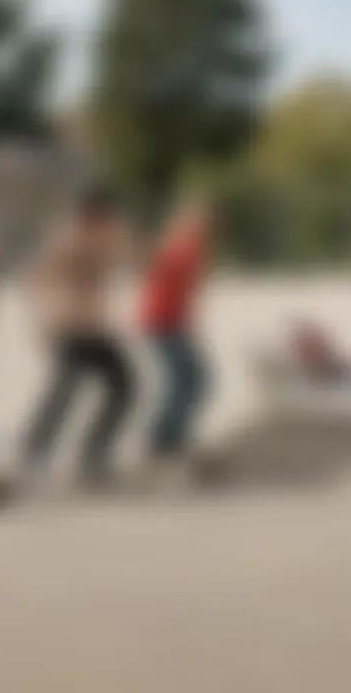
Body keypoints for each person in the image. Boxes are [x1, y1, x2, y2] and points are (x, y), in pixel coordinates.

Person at [22, 185, 134, 490]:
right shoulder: (67, 240)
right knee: (65, 389)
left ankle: (92, 454)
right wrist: (41, 320)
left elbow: (126, 257)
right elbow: (36, 278)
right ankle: (35, 451)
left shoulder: (105, 238)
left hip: (94, 329)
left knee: (123, 386)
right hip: (68, 326)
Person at [139, 199, 211, 486]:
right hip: (161, 323)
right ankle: (163, 440)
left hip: (173, 324)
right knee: (187, 380)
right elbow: (154, 266)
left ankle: (170, 438)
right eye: (199, 223)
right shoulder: (178, 248)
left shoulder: (192, 249)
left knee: (192, 380)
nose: (204, 229)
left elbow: (186, 293)